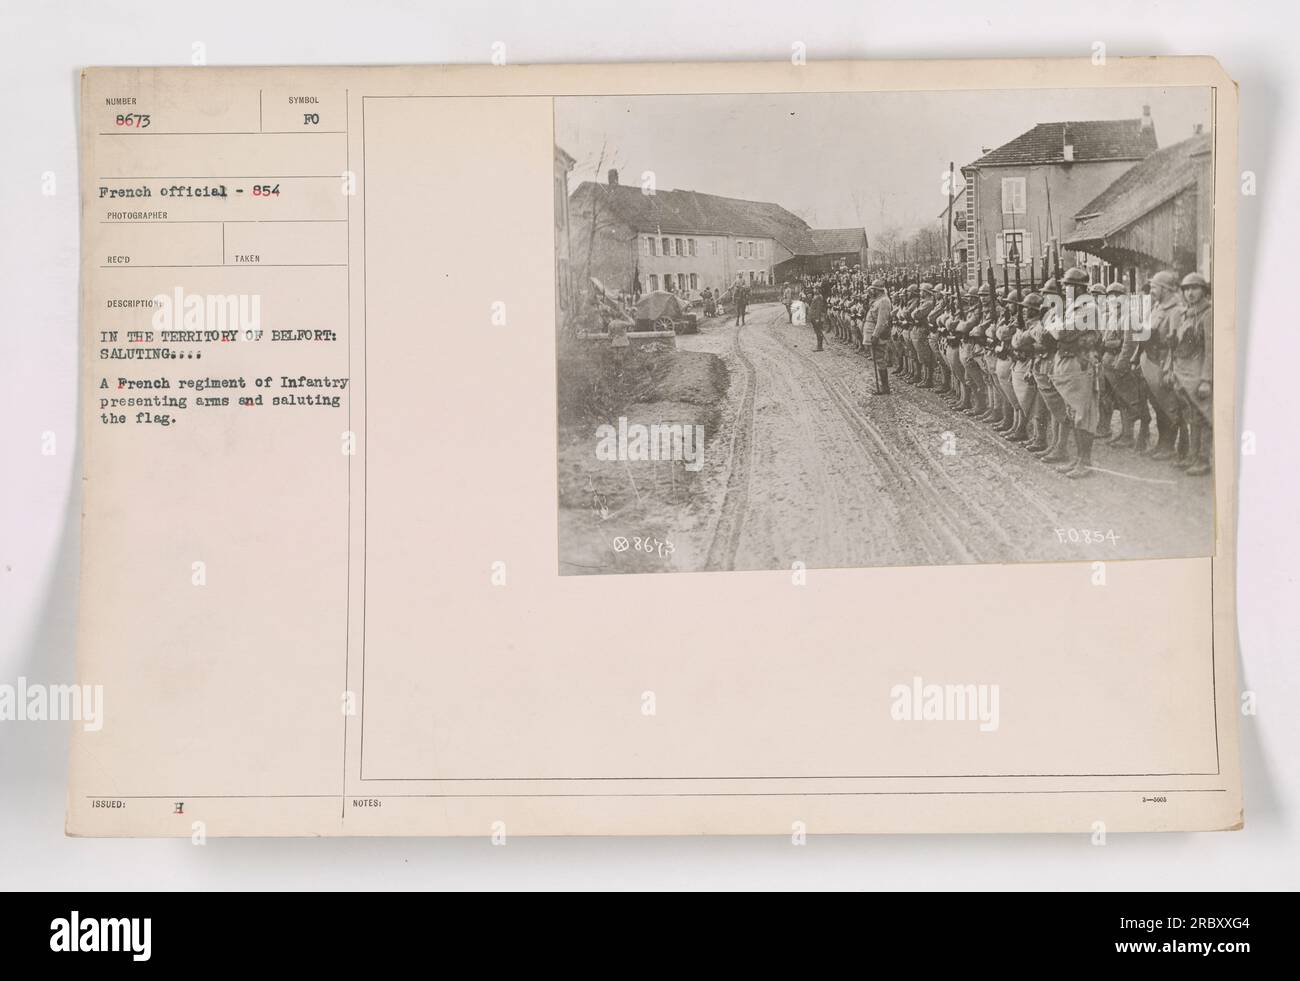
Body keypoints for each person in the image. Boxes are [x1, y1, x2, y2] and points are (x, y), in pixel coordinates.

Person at [1135, 270, 1184, 461]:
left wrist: (1169, 368)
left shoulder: (1176, 310)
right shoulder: (1157, 307)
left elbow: (1175, 344)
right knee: (1157, 405)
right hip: (1150, 360)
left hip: (1164, 363)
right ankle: (1162, 443)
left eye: (1155, 287)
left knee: (1169, 406)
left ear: (1165, 289)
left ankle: (1170, 446)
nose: (1152, 290)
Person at [1168, 272, 1213, 476]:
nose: (1190, 293)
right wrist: (1171, 370)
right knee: (1191, 417)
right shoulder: (1186, 314)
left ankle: (1203, 460)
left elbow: (1211, 350)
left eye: (1194, 288)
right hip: (1183, 374)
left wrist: (1206, 380)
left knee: (1203, 418)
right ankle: (1192, 456)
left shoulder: (1208, 314)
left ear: (1204, 290)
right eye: (1186, 289)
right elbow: (1176, 346)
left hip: (1199, 376)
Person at [809, 285, 827, 351]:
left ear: (817, 289)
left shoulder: (819, 297)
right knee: (817, 331)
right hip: (814, 316)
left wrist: (817, 318)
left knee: (819, 331)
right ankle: (819, 346)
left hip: (817, 317)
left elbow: (818, 309)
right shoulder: (816, 296)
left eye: (814, 289)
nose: (813, 290)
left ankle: (820, 347)